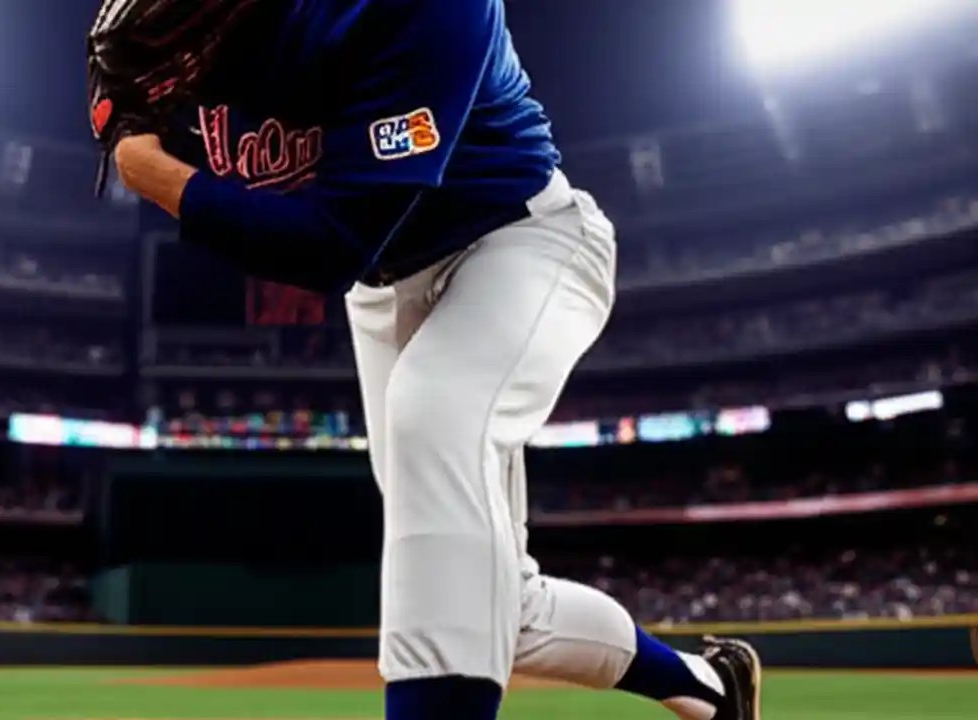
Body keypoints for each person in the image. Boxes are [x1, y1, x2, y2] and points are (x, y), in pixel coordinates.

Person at [89, 1, 762, 718]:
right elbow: (121, 83)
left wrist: (154, 172)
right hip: (384, 292)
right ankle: (711, 688)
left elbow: (333, 245)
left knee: (434, 420)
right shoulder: (166, 20)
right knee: (490, 591)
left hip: (518, 241)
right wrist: (126, 122)